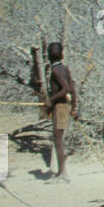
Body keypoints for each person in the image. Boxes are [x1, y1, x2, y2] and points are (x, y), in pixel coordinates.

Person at [41, 42, 80, 180]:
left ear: (49, 57)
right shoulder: (64, 69)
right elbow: (72, 89)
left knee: (58, 139)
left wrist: (50, 100)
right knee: (59, 139)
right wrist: (74, 108)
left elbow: (66, 89)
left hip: (60, 106)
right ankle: (61, 171)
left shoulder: (55, 71)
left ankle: (62, 173)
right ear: (61, 55)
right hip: (65, 106)